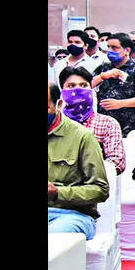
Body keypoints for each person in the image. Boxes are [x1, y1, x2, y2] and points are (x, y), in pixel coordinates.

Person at [49, 82, 110, 238]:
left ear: (59, 105)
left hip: (72, 215)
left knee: (53, 237)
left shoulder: (82, 137)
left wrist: (58, 193)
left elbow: (100, 190)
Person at [59, 67, 126, 175]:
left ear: (91, 89)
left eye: (83, 85)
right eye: (71, 86)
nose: (78, 90)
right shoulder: (55, 123)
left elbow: (117, 163)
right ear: (62, 91)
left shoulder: (107, 124)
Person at [91, 33, 135, 135]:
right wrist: (102, 76)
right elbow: (86, 85)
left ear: (127, 50)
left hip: (128, 127)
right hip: (103, 125)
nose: (110, 51)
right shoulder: (104, 67)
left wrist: (121, 103)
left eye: (115, 47)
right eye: (108, 47)